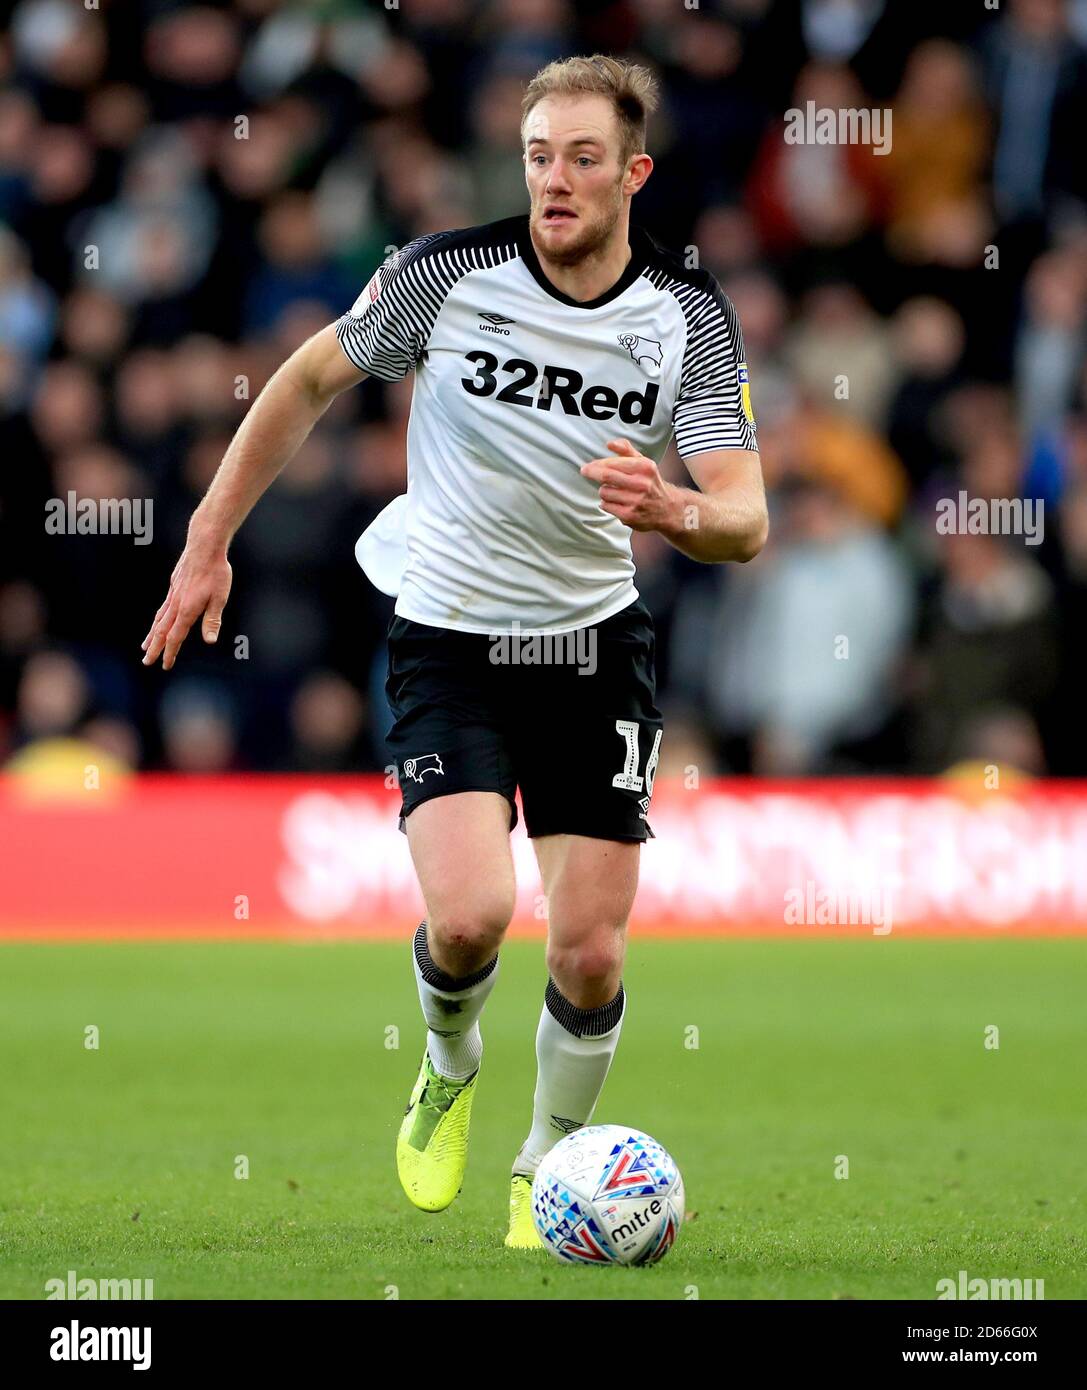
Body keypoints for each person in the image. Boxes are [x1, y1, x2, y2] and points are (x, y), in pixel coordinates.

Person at [141, 54, 768, 1248]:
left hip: (593, 646)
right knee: (473, 917)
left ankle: (545, 1164)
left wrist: (672, 508)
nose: (555, 180)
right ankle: (446, 1063)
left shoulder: (685, 316)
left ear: (633, 173)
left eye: (583, 158)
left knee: (588, 950)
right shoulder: (446, 273)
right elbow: (305, 380)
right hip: (450, 635)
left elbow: (745, 518)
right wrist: (207, 539)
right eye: (538, 157)